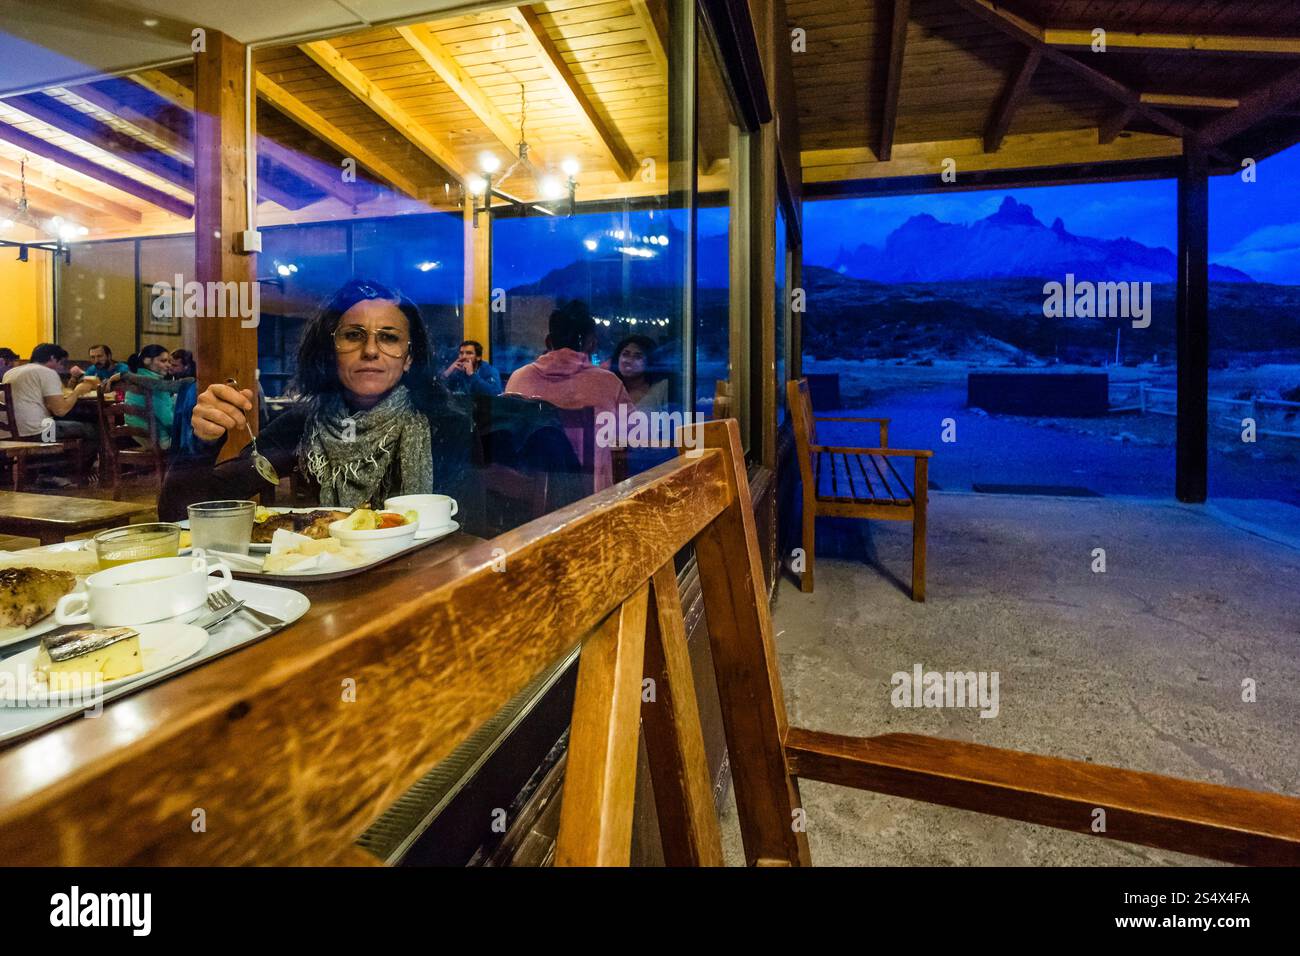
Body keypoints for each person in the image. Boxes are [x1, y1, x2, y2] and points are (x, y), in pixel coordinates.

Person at [164, 279, 479, 519]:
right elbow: (183, 514)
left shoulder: (445, 424)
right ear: (330, 351)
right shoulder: (306, 423)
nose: (370, 351)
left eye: (388, 337)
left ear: (409, 357)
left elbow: (469, 532)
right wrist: (201, 444)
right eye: (353, 335)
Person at [504, 299, 631, 490]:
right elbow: (636, 435)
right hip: (591, 501)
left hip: (526, 502)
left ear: (548, 341)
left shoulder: (518, 379)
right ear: (591, 343)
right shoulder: (608, 384)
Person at [0, 343, 98, 441]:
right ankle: (81, 456)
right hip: (37, 431)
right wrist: (78, 391)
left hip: (8, 433)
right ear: (52, 358)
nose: (61, 367)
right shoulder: (47, 372)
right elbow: (60, 411)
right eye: (61, 362)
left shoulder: (10, 373)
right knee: (92, 429)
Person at [111, 345, 176, 450]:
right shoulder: (155, 384)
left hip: (139, 438)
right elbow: (168, 420)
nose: (168, 365)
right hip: (159, 441)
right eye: (163, 361)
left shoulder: (136, 379)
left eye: (169, 361)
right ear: (146, 361)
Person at [610, 335, 669, 412]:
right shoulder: (609, 389)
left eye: (638, 357)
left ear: (649, 362)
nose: (629, 361)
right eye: (625, 354)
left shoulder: (662, 389)